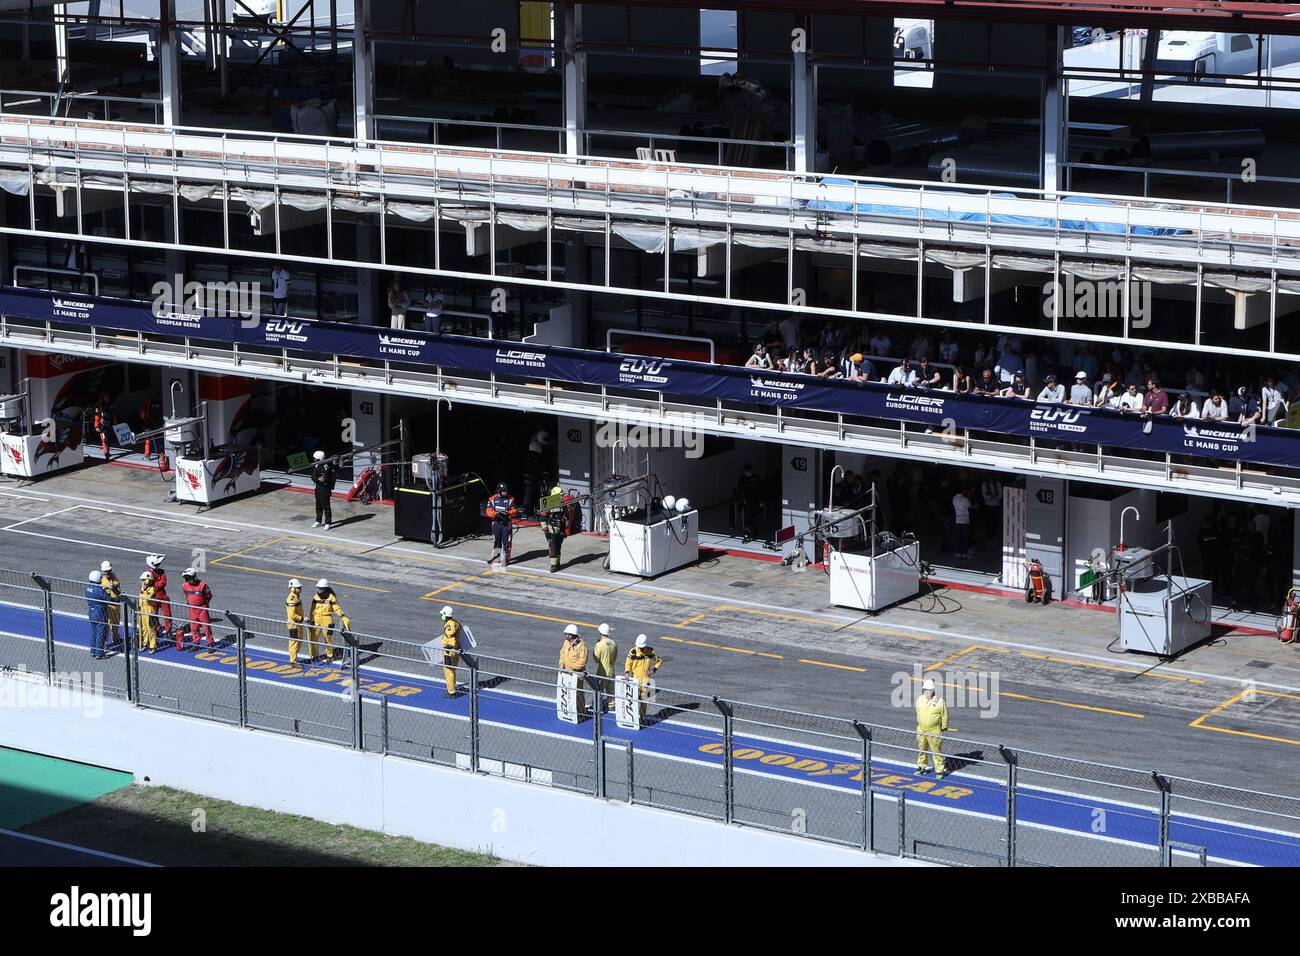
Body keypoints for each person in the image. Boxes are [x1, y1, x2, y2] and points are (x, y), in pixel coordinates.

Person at [309, 578, 351, 666]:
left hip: (327, 619)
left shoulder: (331, 597)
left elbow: (337, 608)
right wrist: (311, 620)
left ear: (324, 588)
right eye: (318, 587)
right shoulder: (315, 596)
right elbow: (312, 610)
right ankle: (315, 656)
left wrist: (342, 616)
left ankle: (329, 656)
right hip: (316, 619)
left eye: (319, 588)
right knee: (314, 638)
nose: (318, 589)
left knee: (328, 638)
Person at [915, 677, 949, 777]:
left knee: (936, 751)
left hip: (934, 731)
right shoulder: (920, 699)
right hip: (921, 729)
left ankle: (939, 771)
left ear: (933, 691)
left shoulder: (939, 701)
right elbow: (918, 712)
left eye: (928, 690)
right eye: (925, 690)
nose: (926, 692)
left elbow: (944, 715)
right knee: (922, 749)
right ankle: (921, 767)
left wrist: (944, 726)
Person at [624, 634, 662, 721]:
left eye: (642, 647)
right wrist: (626, 672)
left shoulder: (650, 651)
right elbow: (628, 663)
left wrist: (653, 670)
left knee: (644, 701)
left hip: (646, 680)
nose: (640, 649)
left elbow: (659, 661)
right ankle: (632, 717)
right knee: (633, 700)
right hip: (635, 679)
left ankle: (642, 718)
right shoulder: (633, 651)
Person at [145, 554, 177, 649]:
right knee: (153, 615)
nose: (159, 565)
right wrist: (157, 584)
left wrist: (155, 585)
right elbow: (152, 585)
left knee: (167, 614)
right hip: (153, 597)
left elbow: (164, 582)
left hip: (162, 596)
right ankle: (158, 628)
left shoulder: (160, 571)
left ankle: (168, 630)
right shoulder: (147, 573)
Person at [558, 623, 590, 717]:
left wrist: (572, 668)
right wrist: (561, 664)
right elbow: (563, 653)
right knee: (568, 692)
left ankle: (580, 712)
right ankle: (570, 710)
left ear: (571, 635)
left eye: (566, 634)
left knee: (578, 693)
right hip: (567, 672)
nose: (565, 635)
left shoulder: (581, 646)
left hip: (577, 674)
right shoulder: (566, 642)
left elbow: (582, 662)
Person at [181, 568, 214, 651]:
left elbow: (209, 595)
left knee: (206, 626)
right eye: (187, 579)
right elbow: (186, 595)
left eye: (189, 578)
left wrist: (204, 604)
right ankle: (196, 643)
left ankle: (210, 644)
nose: (188, 580)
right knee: (194, 627)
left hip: (202, 608)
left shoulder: (203, 585)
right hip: (192, 609)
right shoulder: (184, 585)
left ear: (194, 577)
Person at [486, 481, 518, 565]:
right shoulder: (492, 499)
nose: (505, 492)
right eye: (504, 491)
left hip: (506, 524)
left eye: (506, 490)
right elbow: (488, 511)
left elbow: (515, 511)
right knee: (497, 541)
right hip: (496, 523)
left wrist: (508, 512)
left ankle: (507, 558)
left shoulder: (511, 499)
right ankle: (496, 557)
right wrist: (494, 513)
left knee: (506, 542)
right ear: (499, 491)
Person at [540, 485, 569, 573]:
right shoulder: (547, 504)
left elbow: (566, 516)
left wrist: (565, 528)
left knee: (558, 546)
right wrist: (545, 528)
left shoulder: (563, 504)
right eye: (560, 495)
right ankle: (553, 565)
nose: (562, 496)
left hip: (560, 529)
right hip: (551, 529)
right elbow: (543, 518)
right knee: (553, 547)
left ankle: (558, 563)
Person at [733, 463, 764, 542]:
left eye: (748, 471)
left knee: (752, 518)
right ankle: (747, 534)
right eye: (745, 471)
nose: (747, 473)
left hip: (755, 501)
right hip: (746, 501)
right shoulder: (742, 478)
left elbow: (760, 490)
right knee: (747, 518)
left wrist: (761, 501)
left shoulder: (756, 478)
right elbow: (739, 489)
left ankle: (754, 529)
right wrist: (737, 499)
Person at [85, 570, 111, 660]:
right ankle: (99, 653)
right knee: (101, 632)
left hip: (91, 610)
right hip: (100, 611)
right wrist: (108, 590)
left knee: (94, 631)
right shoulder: (98, 590)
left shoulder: (88, 587)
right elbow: (108, 599)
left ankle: (93, 651)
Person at [439, 605, 463, 698]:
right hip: (456, 649)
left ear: (445, 615)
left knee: (448, 671)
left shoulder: (449, 625)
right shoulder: (455, 622)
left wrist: (448, 648)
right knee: (452, 669)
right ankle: (454, 686)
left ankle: (451, 692)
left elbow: (450, 638)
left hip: (449, 651)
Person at [593, 623, 618, 711]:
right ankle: (611, 707)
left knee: (598, 689)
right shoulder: (613, 643)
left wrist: (595, 647)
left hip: (602, 671)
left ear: (600, 632)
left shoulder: (599, 644)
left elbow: (596, 659)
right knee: (611, 692)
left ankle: (598, 707)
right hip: (611, 670)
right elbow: (615, 657)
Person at [310, 450, 336, 530]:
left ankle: (328, 522)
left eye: (315, 459)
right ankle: (318, 521)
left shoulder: (326, 467)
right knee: (318, 505)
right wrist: (317, 479)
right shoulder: (317, 466)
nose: (314, 460)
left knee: (326, 506)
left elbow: (322, 479)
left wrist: (316, 479)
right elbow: (313, 476)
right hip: (318, 488)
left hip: (325, 488)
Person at [99, 560, 122, 647]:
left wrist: (113, 586)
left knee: (116, 621)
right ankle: (104, 642)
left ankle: (115, 637)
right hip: (108, 604)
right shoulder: (101, 579)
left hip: (116, 603)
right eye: (105, 571)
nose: (107, 573)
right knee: (107, 625)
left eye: (109, 571)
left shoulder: (113, 576)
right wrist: (107, 587)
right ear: (102, 571)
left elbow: (117, 584)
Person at [137, 571, 159, 655]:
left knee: (151, 629)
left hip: (150, 611)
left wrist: (145, 590)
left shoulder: (152, 589)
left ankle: (153, 646)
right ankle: (145, 643)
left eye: (143, 580)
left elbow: (148, 599)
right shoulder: (143, 588)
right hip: (143, 610)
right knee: (144, 628)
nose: (142, 582)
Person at [285, 579, 305, 666]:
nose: (300, 589)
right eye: (298, 588)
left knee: (298, 642)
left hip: (298, 624)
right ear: (293, 588)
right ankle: (293, 662)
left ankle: (294, 659)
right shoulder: (291, 599)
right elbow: (292, 615)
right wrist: (302, 618)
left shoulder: (296, 597)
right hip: (294, 625)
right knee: (294, 643)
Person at [952, 488, 973, 559]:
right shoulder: (965, 499)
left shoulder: (954, 498)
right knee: (965, 537)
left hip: (957, 520)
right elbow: (970, 506)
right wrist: (969, 496)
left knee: (958, 537)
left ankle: (958, 552)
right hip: (965, 521)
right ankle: (964, 553)